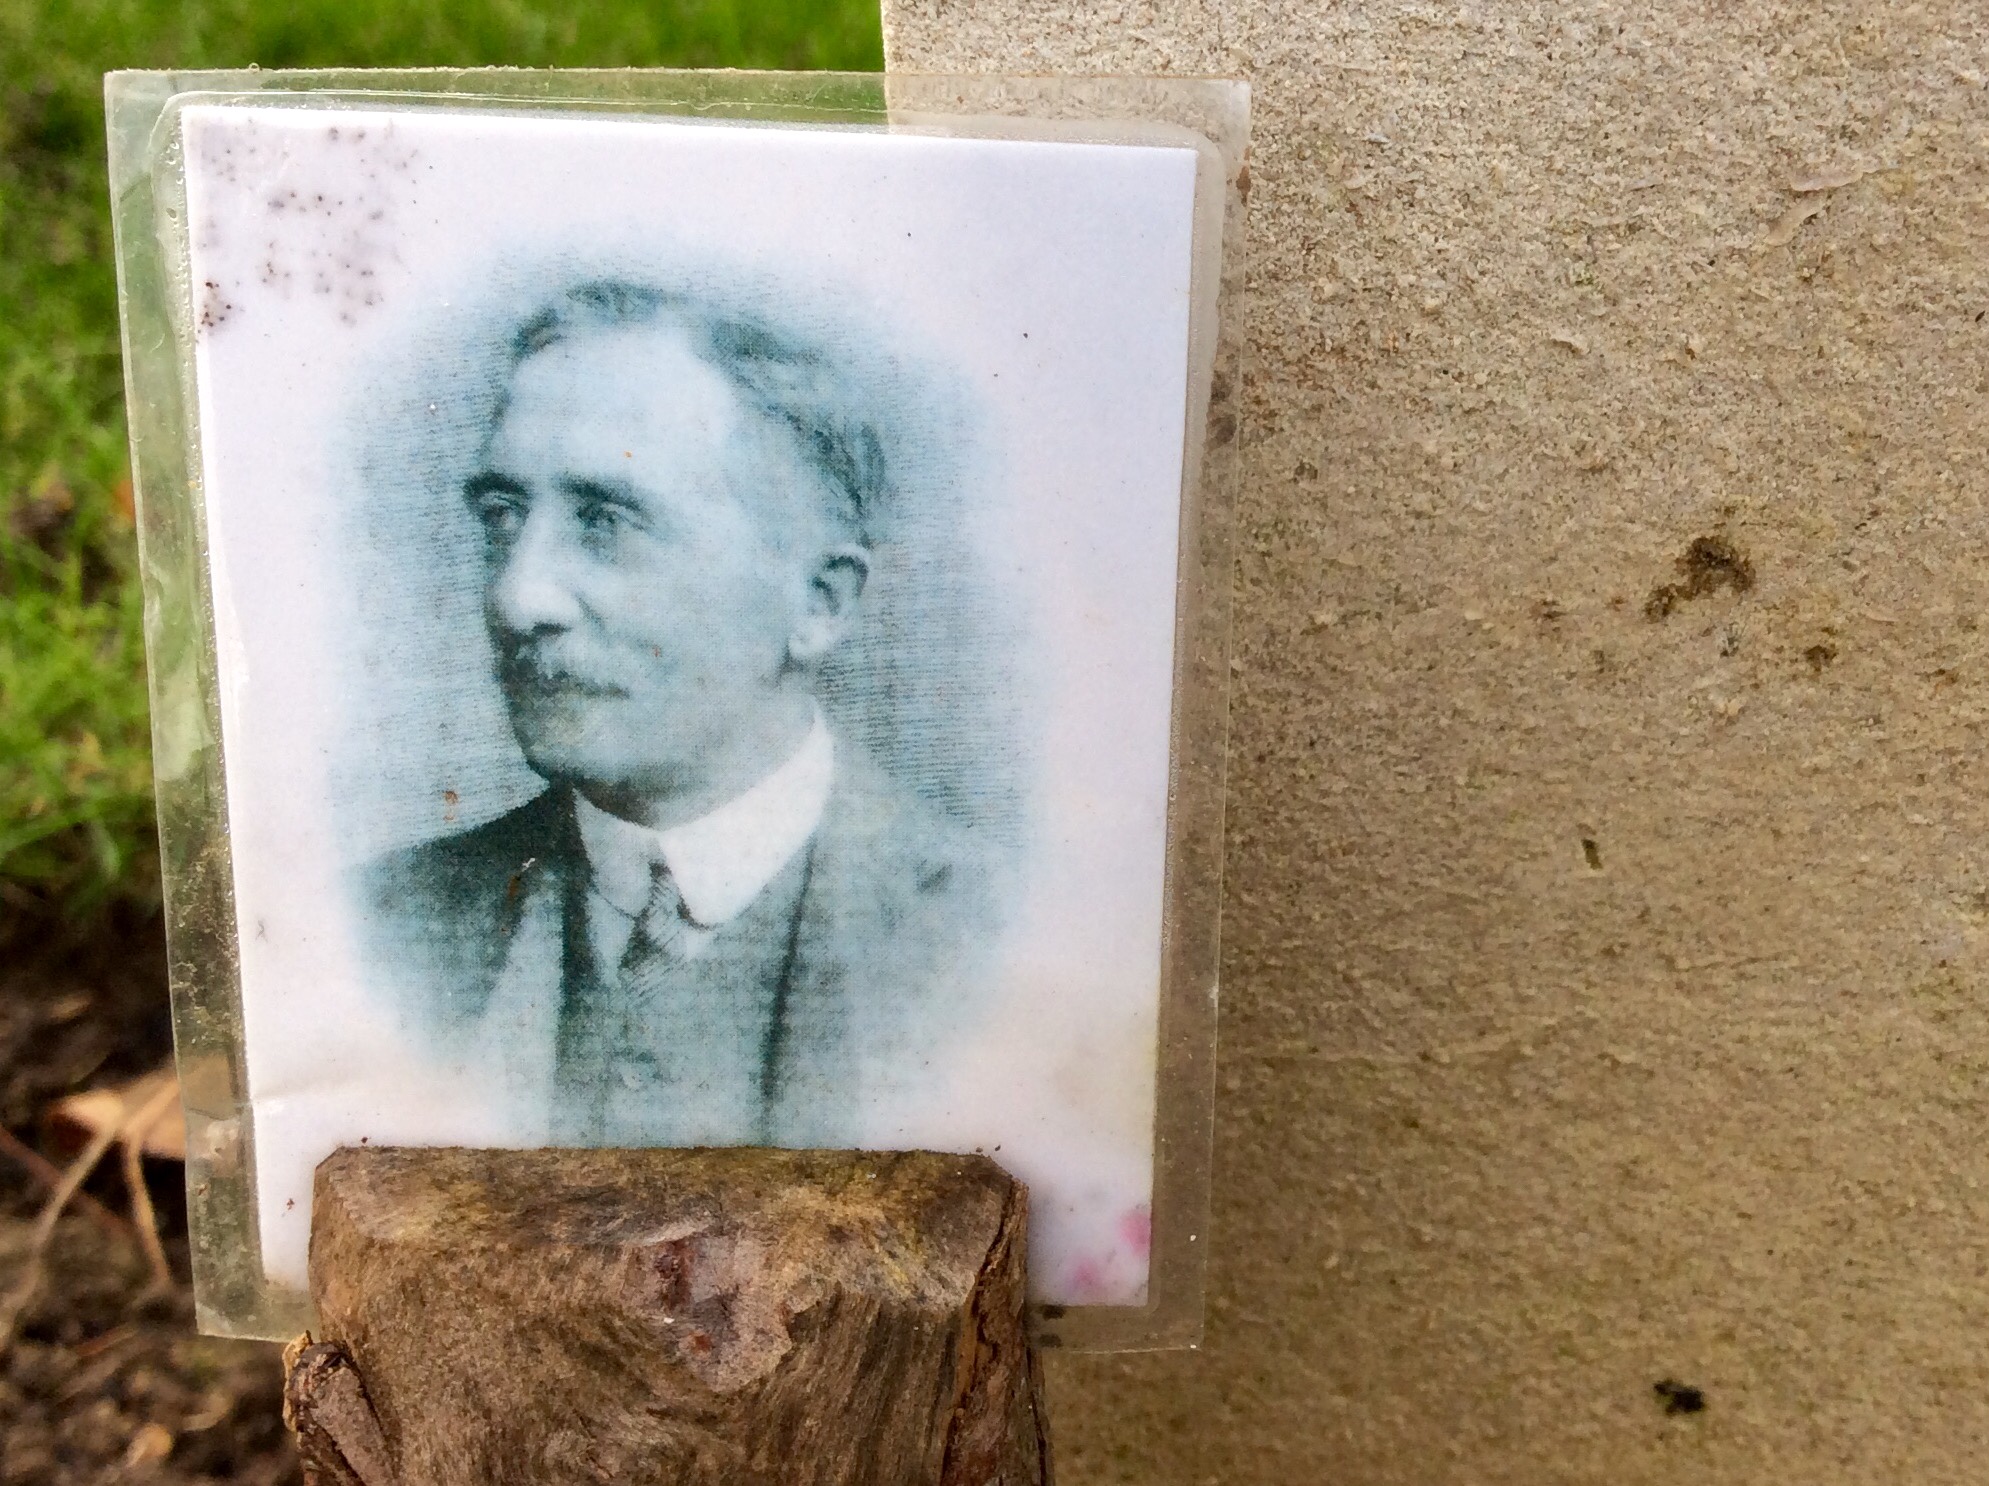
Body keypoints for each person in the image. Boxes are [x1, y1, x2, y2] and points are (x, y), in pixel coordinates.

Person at [357, 281, 990, 1147]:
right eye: (503, 516)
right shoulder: (376, 925)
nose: (517, 597)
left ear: (819, 602)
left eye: (605, 522)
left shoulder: (999, 937)